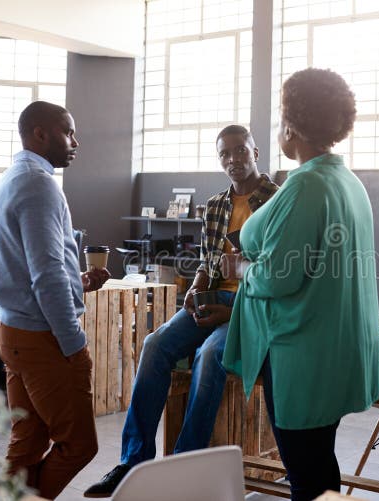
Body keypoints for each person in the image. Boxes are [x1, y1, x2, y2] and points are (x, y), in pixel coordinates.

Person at [83, 125, 278, 498]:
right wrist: (195, 286)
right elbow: (208, 261)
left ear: (256, 151)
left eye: (241, 150)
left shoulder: (277, 201)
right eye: (225, 153)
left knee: (209, 355)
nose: (233, 159)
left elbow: (280, 274)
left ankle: (184, 466)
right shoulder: (217, 204)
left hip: (251, 307)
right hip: (212, 299)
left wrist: (232, 313)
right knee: (155, 344)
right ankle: (132, 462)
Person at [221, 68, 379, 501]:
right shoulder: (347, 182)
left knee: (306, 477)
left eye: (280, 120)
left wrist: (240, 270)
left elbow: (278, 275)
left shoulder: (306, 185)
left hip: (302, 355)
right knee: (320, 464)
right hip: (335, 348)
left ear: (291, 128)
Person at [0, 101, 111, 499]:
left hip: (14, 330)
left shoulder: (11, 179)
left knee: (28, 441)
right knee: (80, 446)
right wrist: (75, 344)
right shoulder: (39, 186)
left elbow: (25, 263)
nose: (76, 141)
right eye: (68, 132)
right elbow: (47, 275)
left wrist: (79, 282)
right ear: (41, 133)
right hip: (43, 339)